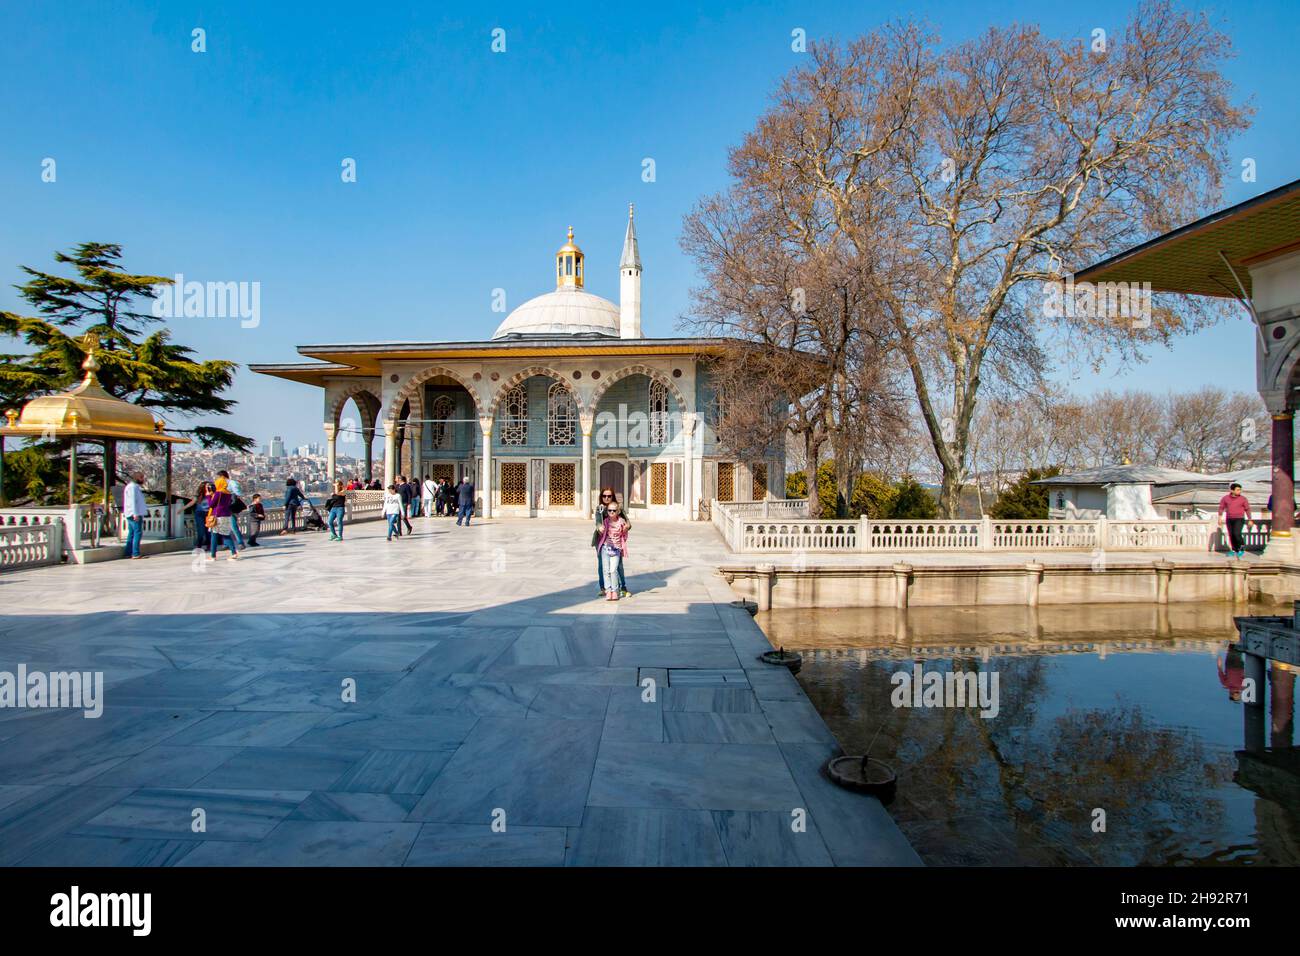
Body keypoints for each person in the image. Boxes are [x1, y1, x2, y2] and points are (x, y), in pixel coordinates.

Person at [594, 487, 631, 596]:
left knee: (618, 565)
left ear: (612, 496)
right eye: (604, 496)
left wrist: (627, 526)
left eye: (609, 496)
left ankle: (622, 587)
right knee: (602, 565)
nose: (606, 498)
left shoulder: (618, 508)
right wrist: (599, 526)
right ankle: (604, 588)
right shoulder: (599, 509)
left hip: (616, 541)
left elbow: (628, 522)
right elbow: (598, 522)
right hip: (602, 541)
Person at [207, 476, 239, 560]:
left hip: (218, 516)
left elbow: (211, 504)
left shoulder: (218, 493)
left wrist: (209, 496)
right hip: (227, 515)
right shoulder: (228, 493)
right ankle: (234, 553)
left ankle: (213, 555)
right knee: (226, 534)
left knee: (214, 535)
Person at [1218, 482, 1253, 559]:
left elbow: (1247, 509)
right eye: (1237, 490)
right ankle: (1234, 550)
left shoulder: (1243, 499)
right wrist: (1220, 517)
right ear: (1232, 490)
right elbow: (1221, 507)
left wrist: (1250, 519)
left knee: (1236, 533)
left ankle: (1241, 548)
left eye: (1240, 490)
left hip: (1239, 518)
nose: (1239, 491)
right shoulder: (1225, 498)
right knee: (1231, 534)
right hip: (1229, 519)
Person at [217, 470, 246, 551]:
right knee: (224, 527)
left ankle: (240, 543)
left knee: (233, 526)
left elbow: (238, 494)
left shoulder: (231, 483)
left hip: (230, 508)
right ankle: (226, 544)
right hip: (223, 508)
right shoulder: (220, 485)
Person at [123, 470, 148, 560]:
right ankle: (135, 553)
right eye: (141, 478)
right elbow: (132, 501)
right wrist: (135, 514)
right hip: (134, 514)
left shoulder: (133, 487)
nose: (143, 480)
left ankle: (128, 552)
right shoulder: (133, 487)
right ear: (137, 478)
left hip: (131, 513)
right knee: (137, 533)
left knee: (132, 534)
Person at [188, 481, 213, 552]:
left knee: (208, 531)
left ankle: (209, 545)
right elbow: (192, 502)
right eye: (206, 486)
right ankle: (199, 546)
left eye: (209, 486)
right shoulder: (199, 495)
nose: (208, 487)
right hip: (199, 513)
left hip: (209, 514)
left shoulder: (212, 494)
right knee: (201, 531)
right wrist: (182, 509)